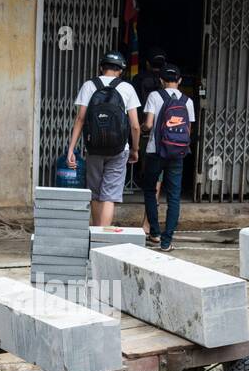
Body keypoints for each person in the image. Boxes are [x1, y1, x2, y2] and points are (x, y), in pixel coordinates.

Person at [66, 51, 141, 227]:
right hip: (119, 148)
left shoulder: (89, 85)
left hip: (94, 148)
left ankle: (94, 233)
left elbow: (80, 119)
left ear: (101, 67)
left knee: (95, 192)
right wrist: (135, 149)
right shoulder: (127, 88)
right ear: (121, 70)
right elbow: (135, 125)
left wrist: (71, 148)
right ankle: (103, 236)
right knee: (110, 195)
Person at [140, 64, 195, 251]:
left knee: (149, 190)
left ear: (161, 80)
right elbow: (189, 130)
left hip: (155, 151)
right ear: (179, 81)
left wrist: (143, 128)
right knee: (174, 197)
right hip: (177, 153)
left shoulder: (154, 96)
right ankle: (167, 241)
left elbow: (148, 124)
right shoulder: (188, 101)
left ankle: (154, 232)